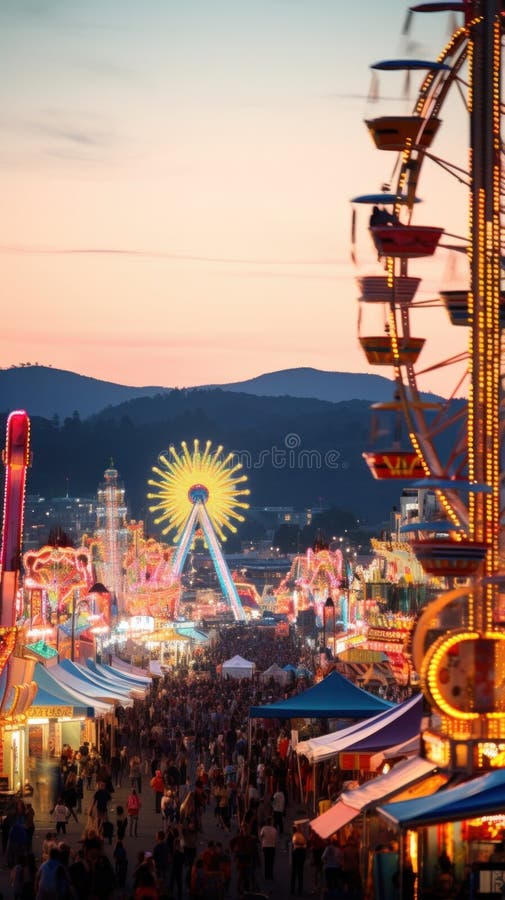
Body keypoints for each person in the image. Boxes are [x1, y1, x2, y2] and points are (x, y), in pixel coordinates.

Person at [290, 824, 307, 895]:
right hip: (302, 853)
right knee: (300, 871)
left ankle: (292, 889)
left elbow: (294, 842)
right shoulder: (302, 835)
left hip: (296, 853)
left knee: (294, 871)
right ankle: (300, 888)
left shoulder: (295, 835)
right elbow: (305, 844)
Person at [260, 815, 278, 881]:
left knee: (266, 861)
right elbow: (276, 838)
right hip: (272, 847)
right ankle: (271, 875)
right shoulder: (274, 829)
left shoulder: (264, 828)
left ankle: (266, 875)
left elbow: (261, 836)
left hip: (265, 846)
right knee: (271, 862)